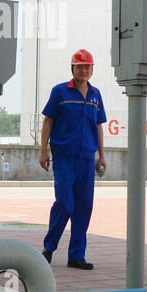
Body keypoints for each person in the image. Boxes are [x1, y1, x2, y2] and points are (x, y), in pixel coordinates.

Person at [39, 48, 106, 269]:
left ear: (92, 69)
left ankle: (77, 255)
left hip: (87, 157)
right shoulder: (60, 92)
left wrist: (101, 156)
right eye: (80, 67)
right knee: (65, 204)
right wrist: (43, 151)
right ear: (73, 68)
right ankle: (48, 249)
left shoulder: (96, 95)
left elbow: (98, 126)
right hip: (64, 156)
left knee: (84, 206)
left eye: (88, 67)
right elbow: (48, 121)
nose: (84, 70)